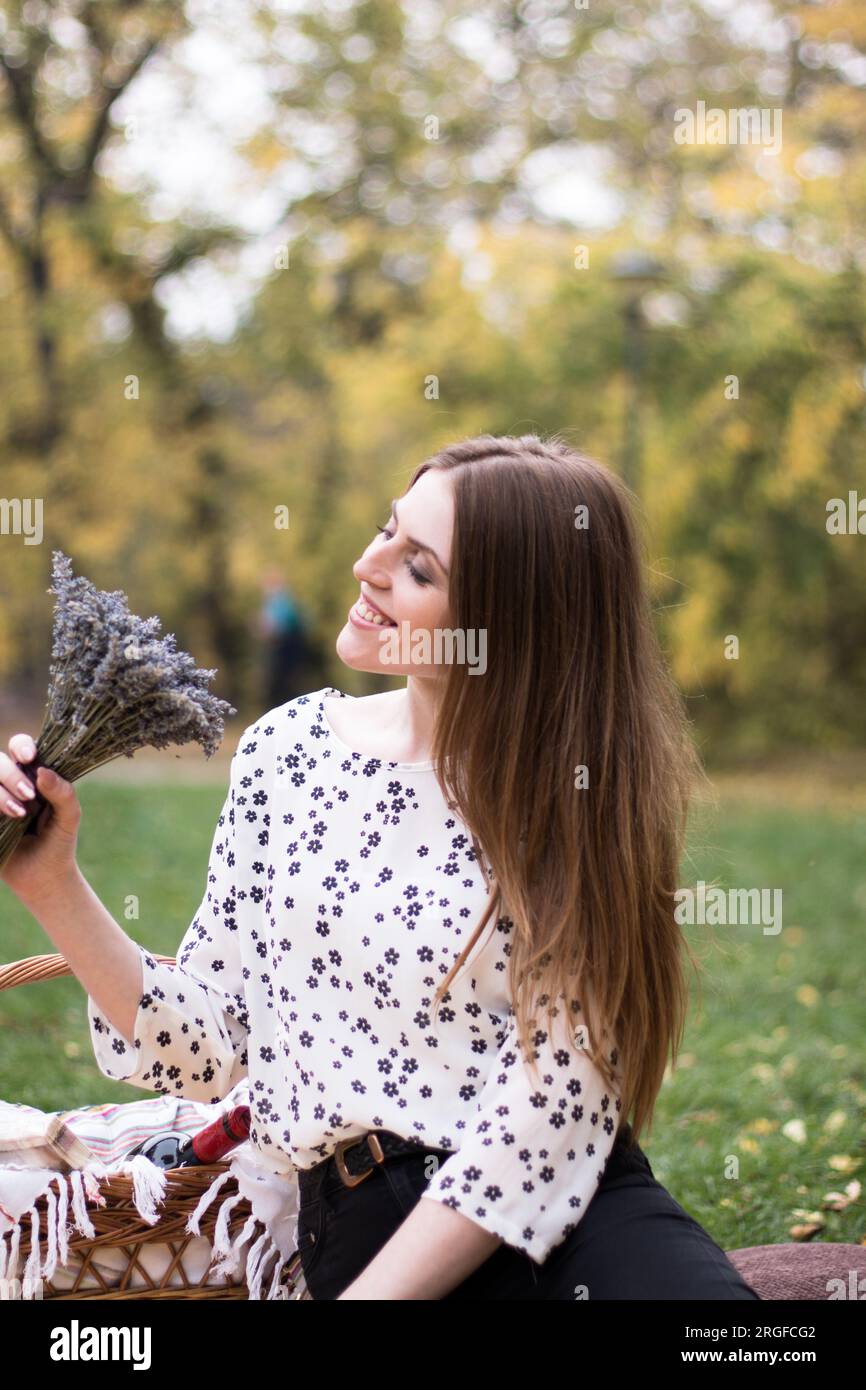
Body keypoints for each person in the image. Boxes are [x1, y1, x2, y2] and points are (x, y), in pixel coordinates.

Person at [0, 433, 761, 1300]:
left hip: (580, 1202)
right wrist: (53, 884)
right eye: (385, 530)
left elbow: (558, 1098)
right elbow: (211, 1043)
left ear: (508, 622)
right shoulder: (289, 753)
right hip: (374, 1213)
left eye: (420, 569)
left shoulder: (576, 788)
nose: (368, 565)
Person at [258, 569, 309, 707]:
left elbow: (275, 627)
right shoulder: (279, 601)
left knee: (282, 683)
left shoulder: (281, 601)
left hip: (285, 648)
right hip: (284, 648)